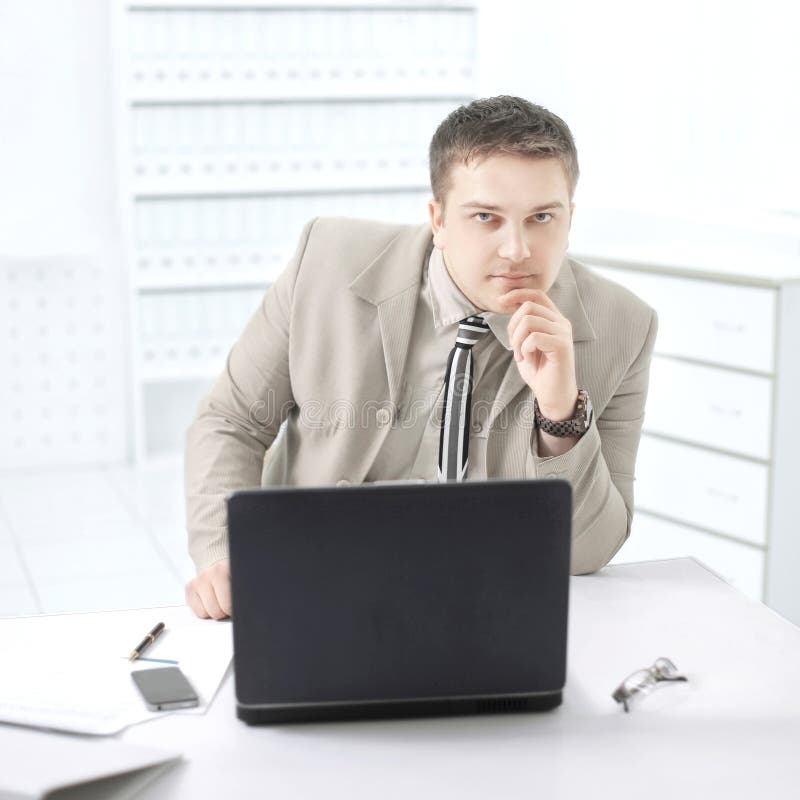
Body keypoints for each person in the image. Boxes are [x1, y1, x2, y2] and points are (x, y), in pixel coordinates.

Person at [184, 95, 658, 620]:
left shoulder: (624, 327)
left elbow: (589, 552)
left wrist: (561, 415)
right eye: (486, 217)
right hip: (317, 576)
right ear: (438, 219)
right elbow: (230, 420)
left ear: (569, 220)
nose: (518, 249)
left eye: (542, 217)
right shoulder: (327, 260)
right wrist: (224, 555)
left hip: (487, 602)